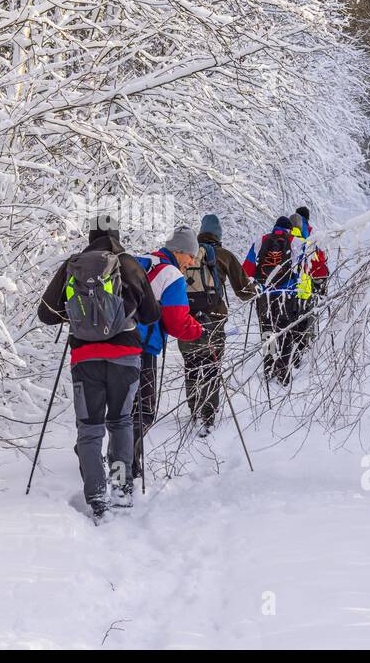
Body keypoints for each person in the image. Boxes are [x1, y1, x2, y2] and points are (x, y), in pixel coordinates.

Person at [38, 212, 161, 520]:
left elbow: (46, 314)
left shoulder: (73, 266)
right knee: (120, 422)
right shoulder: (128, 263)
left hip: (84, 359)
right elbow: (151, 314)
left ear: (90, 236)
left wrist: (79, 315)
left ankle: (96, 498)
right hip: (126, 357)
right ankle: (121, 489)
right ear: (116, 236)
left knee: (90, 429)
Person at [131, 226, 204, 478]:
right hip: (144, 348)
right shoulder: (171, 274)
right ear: (179, 251)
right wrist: (199, 331)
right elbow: (177, 322)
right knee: (144, 410)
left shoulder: (140, 262)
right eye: (190, 256)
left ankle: (94, 451)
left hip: (117, 343)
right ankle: (129, 465)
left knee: (121, 408)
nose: (192, 262)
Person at [178, 213, 257, 436]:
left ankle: (194, 409)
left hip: (186, 317)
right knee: (212, 365)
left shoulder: (186, 254)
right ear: (219, 235)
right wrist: (255, 291)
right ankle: (209, 414)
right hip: (214, 317)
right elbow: (243, 292)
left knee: (192, 364)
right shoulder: (223, 255)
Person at [242, 215, 305, 385]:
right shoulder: (295, 242)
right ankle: (284, 372)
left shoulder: (261, 241)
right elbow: (302, 267)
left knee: (267, 331)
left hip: (265, 294)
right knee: (284, 331)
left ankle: (269, 367)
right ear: (289, 230)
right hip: (286, 294)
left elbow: (247, 269)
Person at [289, 207, 331, 356]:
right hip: (308, 282)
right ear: (308, 217)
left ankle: (288, 348)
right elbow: (319, 261)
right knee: (307, 315)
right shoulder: (313, 235)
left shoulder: (287, 233)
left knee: (289, 318)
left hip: (287, 285)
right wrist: (322, 281)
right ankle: (306, 345)